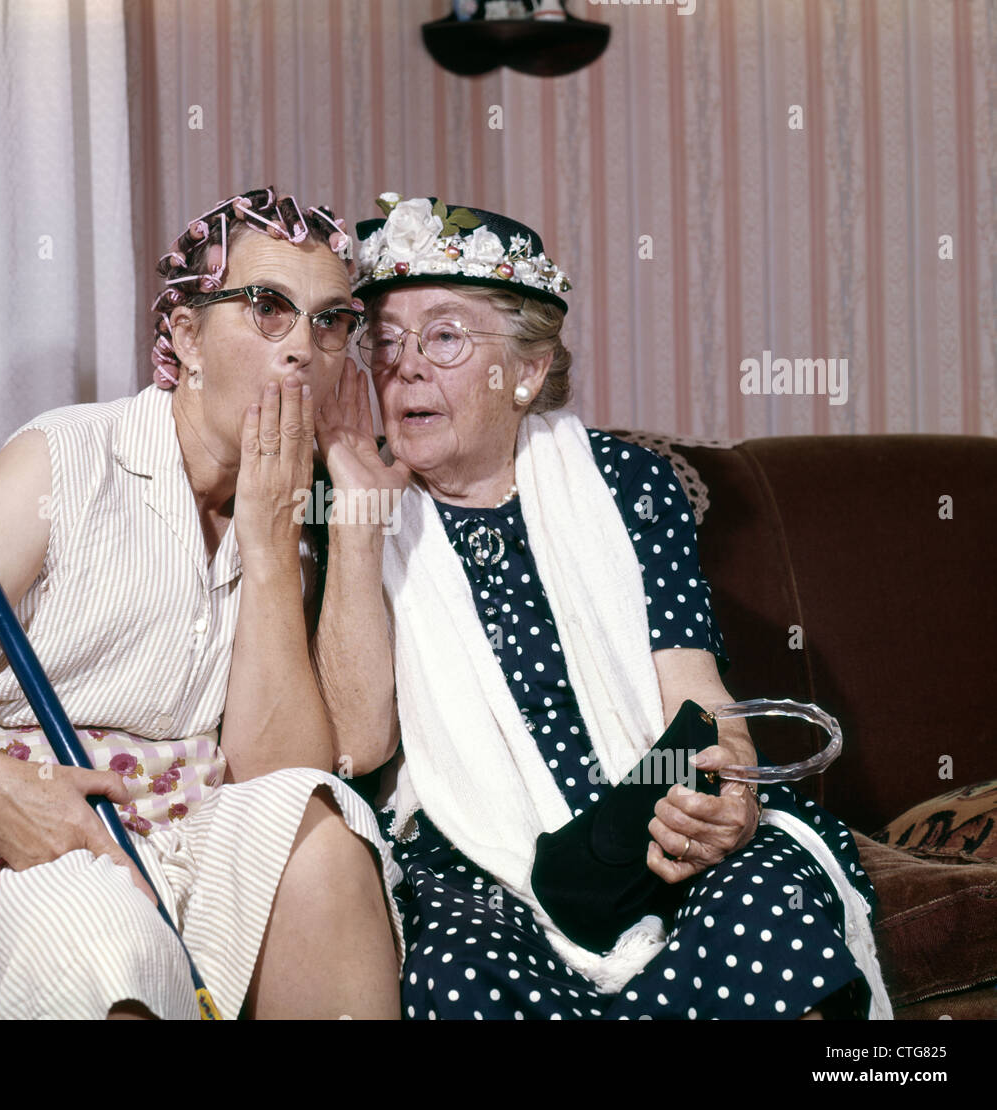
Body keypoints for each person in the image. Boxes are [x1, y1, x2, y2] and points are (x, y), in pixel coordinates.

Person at [0, 186, 404, 1021]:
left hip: (192, 836)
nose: (303, 350)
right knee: (105, 936)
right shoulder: (61, 463)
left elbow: (281, 781)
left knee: (327, 829)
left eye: (329, 321)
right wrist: (1, 794)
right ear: (186, 335)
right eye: (268, 308)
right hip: (30, 847)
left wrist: (273, 550)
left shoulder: (288, 507)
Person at [314, 192, 891, 1020]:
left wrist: (723, 796)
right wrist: (363, 526)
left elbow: (696, 694)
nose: (402, 366)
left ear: (525, 371)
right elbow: (362, 743)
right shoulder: (348, 499)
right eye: (387, 339)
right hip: (477, 841)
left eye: (443, 336)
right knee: (453, 973)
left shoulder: (628, 484)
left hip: (645, 799)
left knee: (765, 907)